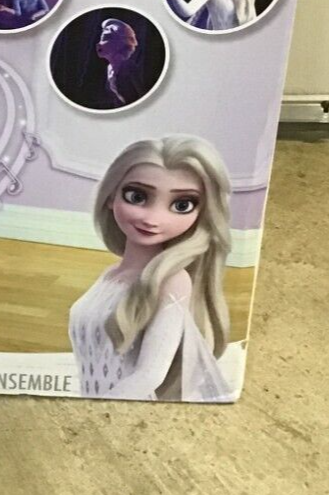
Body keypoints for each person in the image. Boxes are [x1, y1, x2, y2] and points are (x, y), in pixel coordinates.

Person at [68, 136, 234, 402]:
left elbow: (150, 375)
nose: (153, 219)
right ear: (110, 196)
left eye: (182, 205)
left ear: (202, 214)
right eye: (137, 197)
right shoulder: (110, 275)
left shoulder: (173, 280)